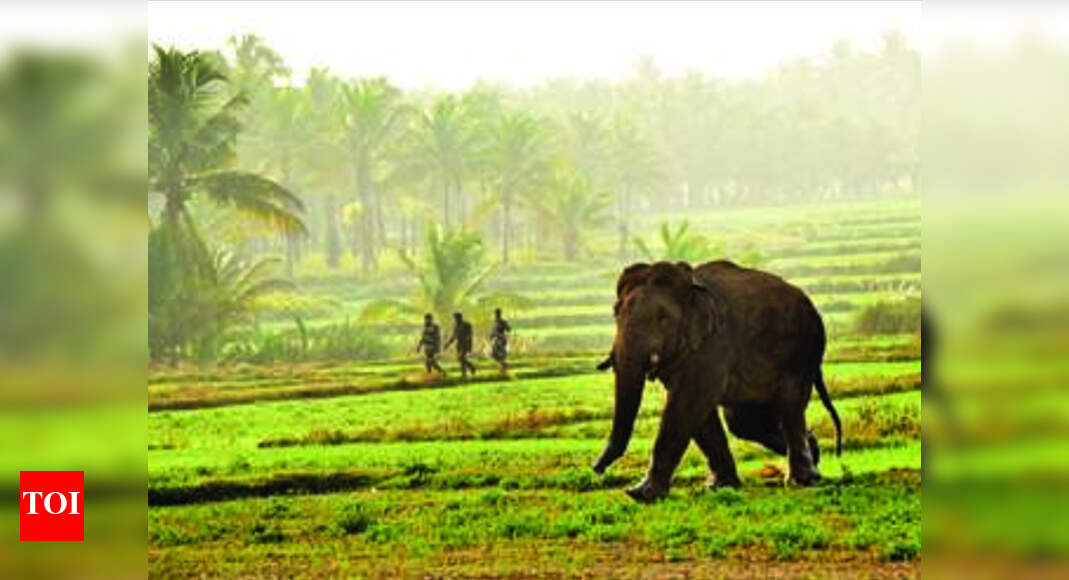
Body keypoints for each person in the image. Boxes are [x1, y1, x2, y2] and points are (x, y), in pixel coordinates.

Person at [444, 311, 476, 379]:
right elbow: (454, 336)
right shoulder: (456, 326)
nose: (455, 320)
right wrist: (447, 344)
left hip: (466, 344)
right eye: (455, 318)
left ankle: (471, 367)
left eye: (456, 318)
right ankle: (465, 373)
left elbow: (470, 334)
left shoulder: (466, 325)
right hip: (459, 344)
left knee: (462, 358)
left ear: (460, 317)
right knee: (461, 360)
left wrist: (469, 343)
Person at [490, 308, 511, 373]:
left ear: (499, 314)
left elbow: (508, 329)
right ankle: (503, 365)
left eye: (497, 313)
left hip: (501, 339)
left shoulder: (503, 321)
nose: (496, 315)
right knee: (494, 354)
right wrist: (492, 335)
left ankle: (503, 367)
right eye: (496, 314)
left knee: (501, 353)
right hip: (496, 339)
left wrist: (504, 329)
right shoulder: (495, 321)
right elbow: (494, 330)